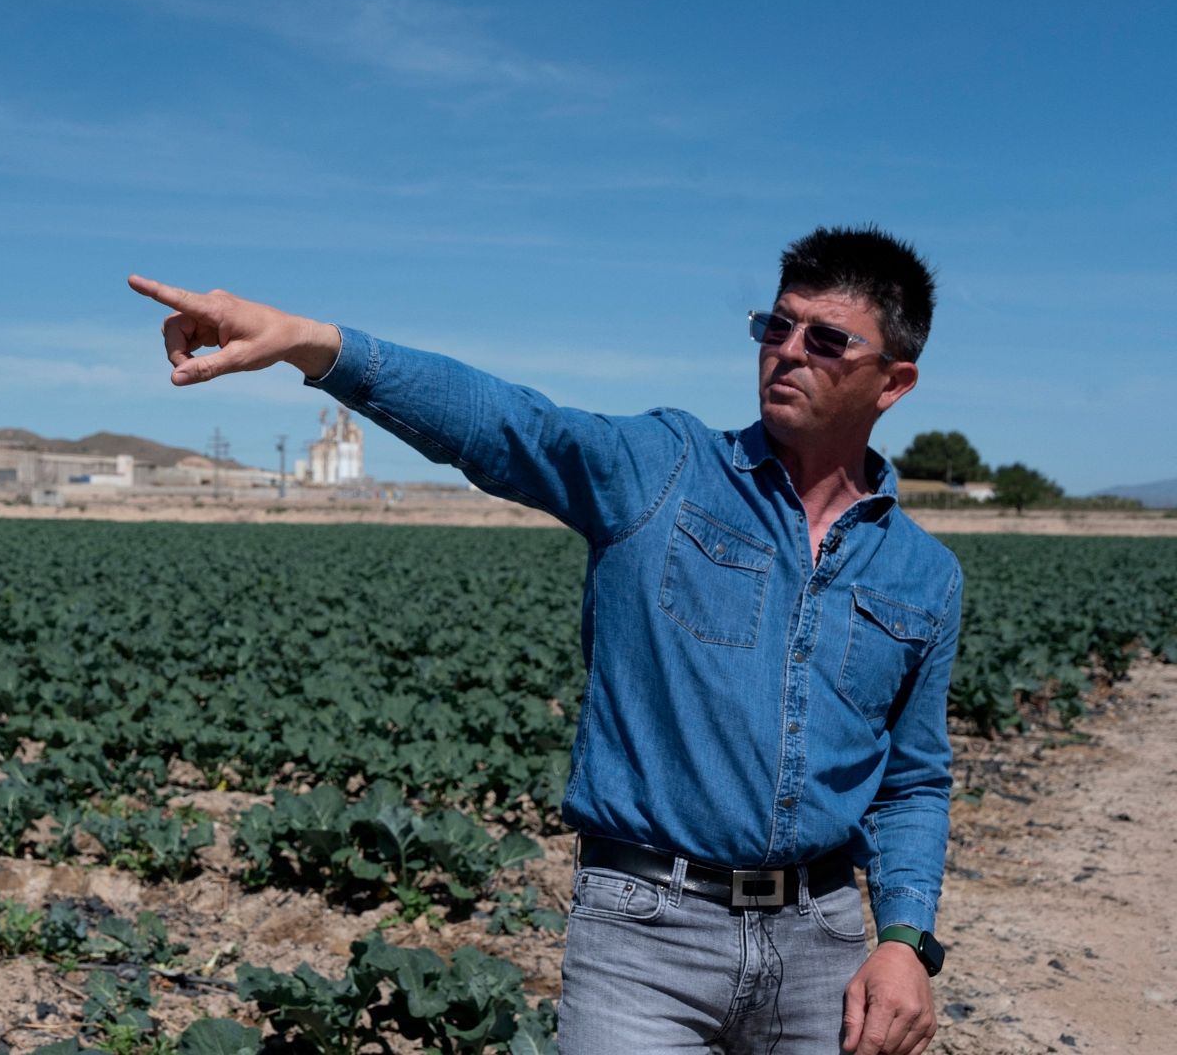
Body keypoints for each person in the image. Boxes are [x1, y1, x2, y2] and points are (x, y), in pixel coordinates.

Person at [127, 225, 957, 1055]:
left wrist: (903, 937)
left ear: (894, 380)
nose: (786, 352)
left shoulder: (924, 575)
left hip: (822, 946)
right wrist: (312, 344)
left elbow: (911, 780)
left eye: (825, 339)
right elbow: (509, 425)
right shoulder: (663, 470)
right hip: (647, 934)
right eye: (774, 327)